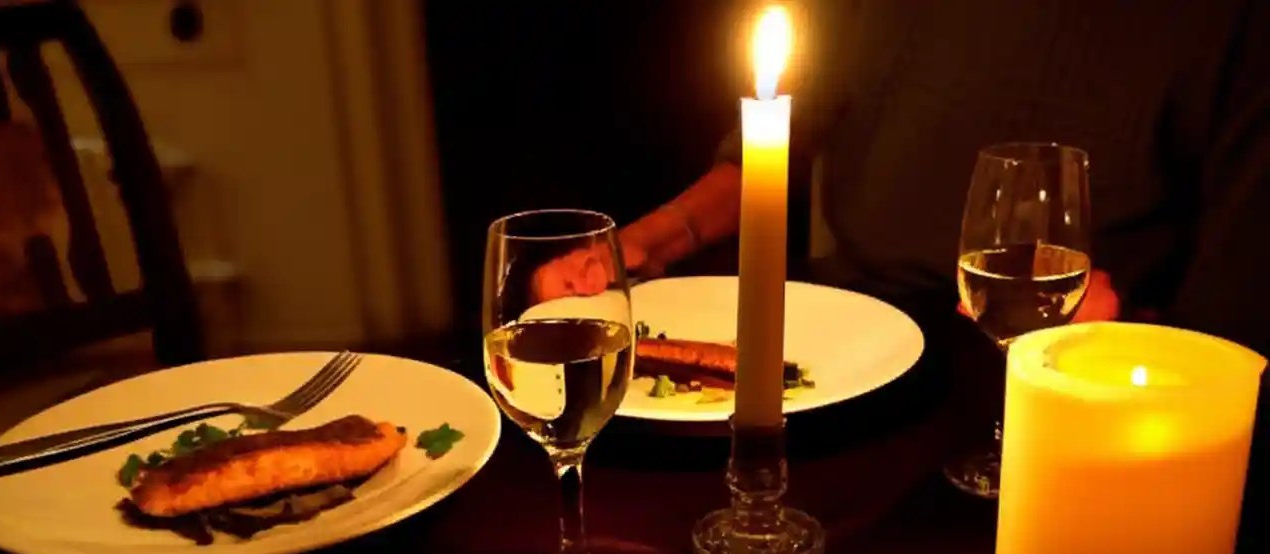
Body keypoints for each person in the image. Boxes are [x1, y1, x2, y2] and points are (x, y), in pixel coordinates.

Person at [534, 0, 1270, 356]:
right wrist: (638, 247)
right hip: (849, 337)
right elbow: (763, 153)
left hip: (1066, 374)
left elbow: (1231, 329)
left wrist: (1128, 342)